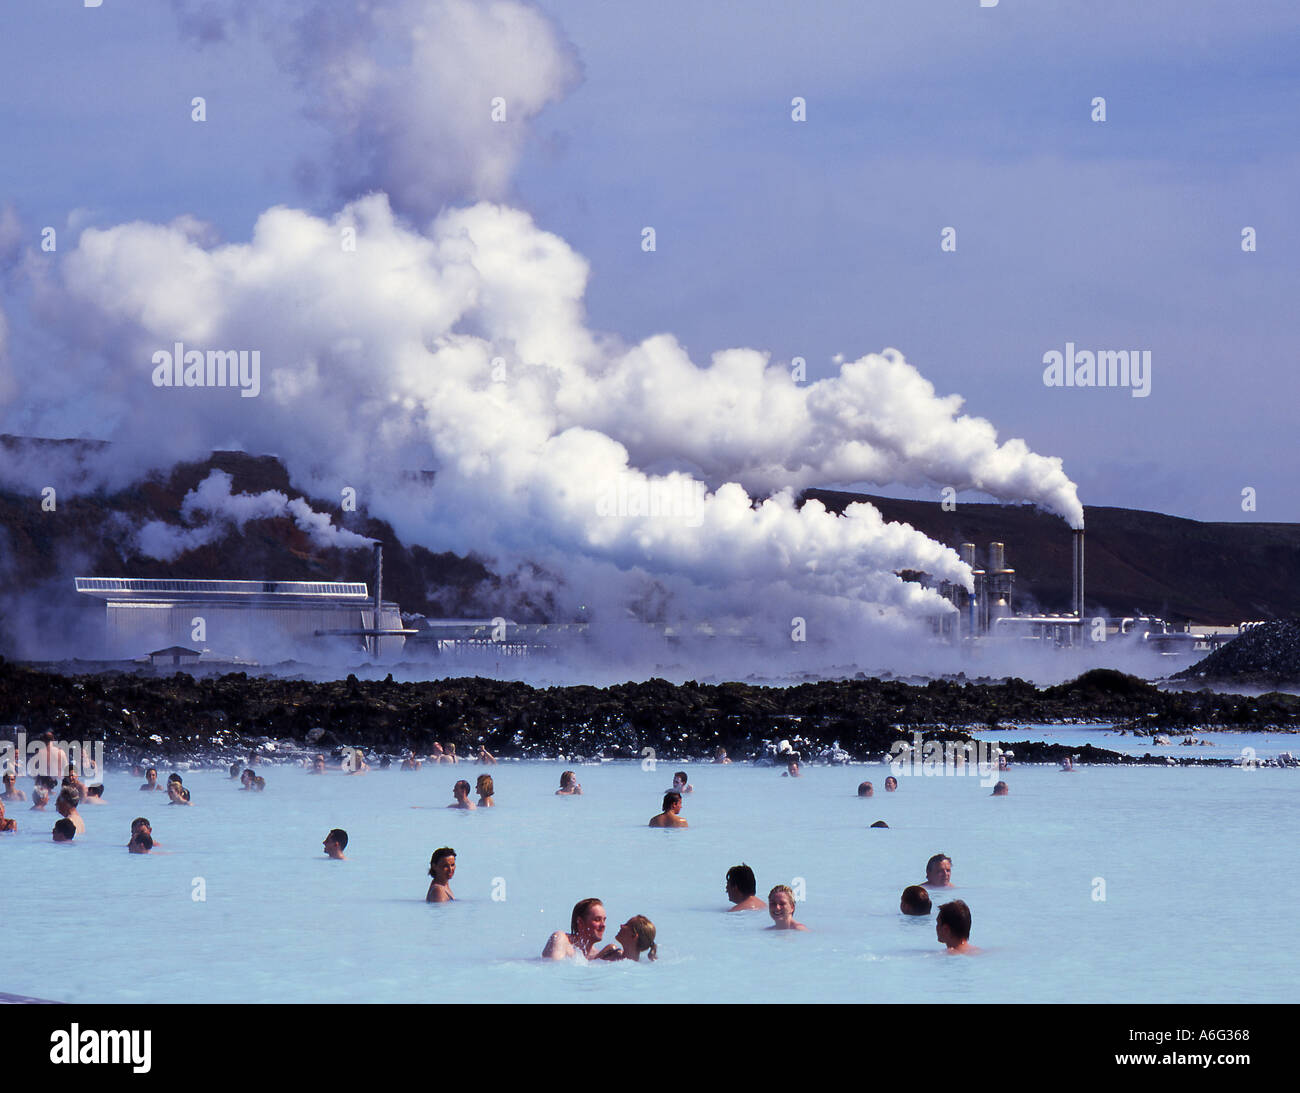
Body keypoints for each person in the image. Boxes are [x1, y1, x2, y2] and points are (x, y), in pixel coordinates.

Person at [542, 898, 616, 960]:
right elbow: (553, 968)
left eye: (604, 920)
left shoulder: (598, 955)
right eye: (597, 920)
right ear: (580, 922)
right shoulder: (561, 939)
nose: (603, 925)